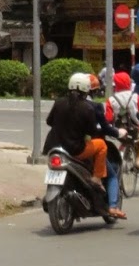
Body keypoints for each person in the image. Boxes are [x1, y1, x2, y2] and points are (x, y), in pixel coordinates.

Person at [43, 73, 126, 219]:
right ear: (86, 90)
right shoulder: (87, 108)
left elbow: (50, 122)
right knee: (101, 145)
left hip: (55, 148)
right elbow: (92, 131)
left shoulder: (59, 102)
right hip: (76, 150)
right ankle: (97, 178)